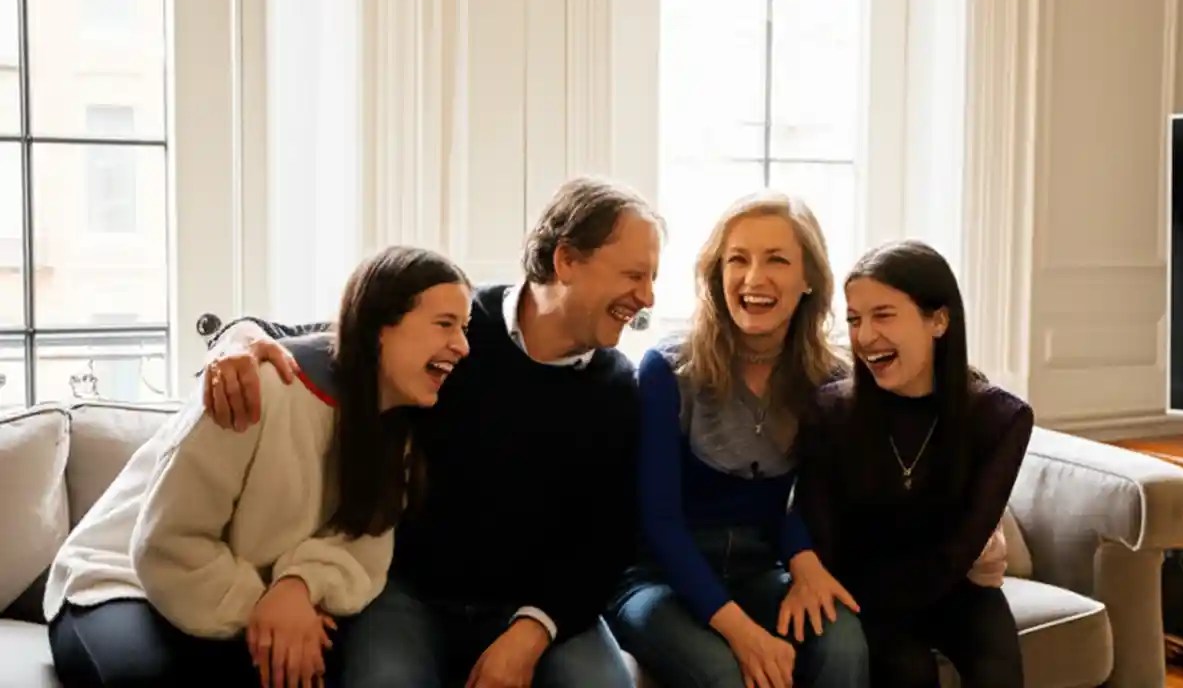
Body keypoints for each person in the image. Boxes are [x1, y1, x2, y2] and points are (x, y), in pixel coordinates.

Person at [199, 176, 661, 687]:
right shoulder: (454, 324)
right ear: (567, 260)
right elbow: (329, 338)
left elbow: (607, 538)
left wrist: (531, 632)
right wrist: (234, 343)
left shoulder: (618, 388)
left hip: (538, 609)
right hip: (408, 592)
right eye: (634, 275)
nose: (648, 297)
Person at [43, 245, 473, 687]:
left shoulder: (396, 425)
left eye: (464, 327)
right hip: (120, 579)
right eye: (445, 324)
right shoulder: (256, 389)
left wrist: (300, 587)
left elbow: (361, 547)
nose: (462, 346)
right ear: (381, 327)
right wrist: (267, 609)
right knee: (147, 678)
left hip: (236, 596)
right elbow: (168, 544)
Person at [607, 192, 870, 688]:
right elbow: (660, 524)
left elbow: (803, 502)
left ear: (808, 279)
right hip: (656, 578)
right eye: (738, 260)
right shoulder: (668, 368)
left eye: (777, 260)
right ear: (716, 274)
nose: (754, 279)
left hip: (758, 567)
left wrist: (805, 564)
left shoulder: (829, 380)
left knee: (843, 637)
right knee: (723, 671)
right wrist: (744, 634)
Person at [795, 239, 1033, 687]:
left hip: (956, 586)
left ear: (938, 320)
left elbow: (960, 548)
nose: (864, 336)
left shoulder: (1001, 419)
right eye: (854, 319)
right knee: (908, 671)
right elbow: (823, 537)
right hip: (861, 587)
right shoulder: (829, 411)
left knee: (997, 674)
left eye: (883, 315)